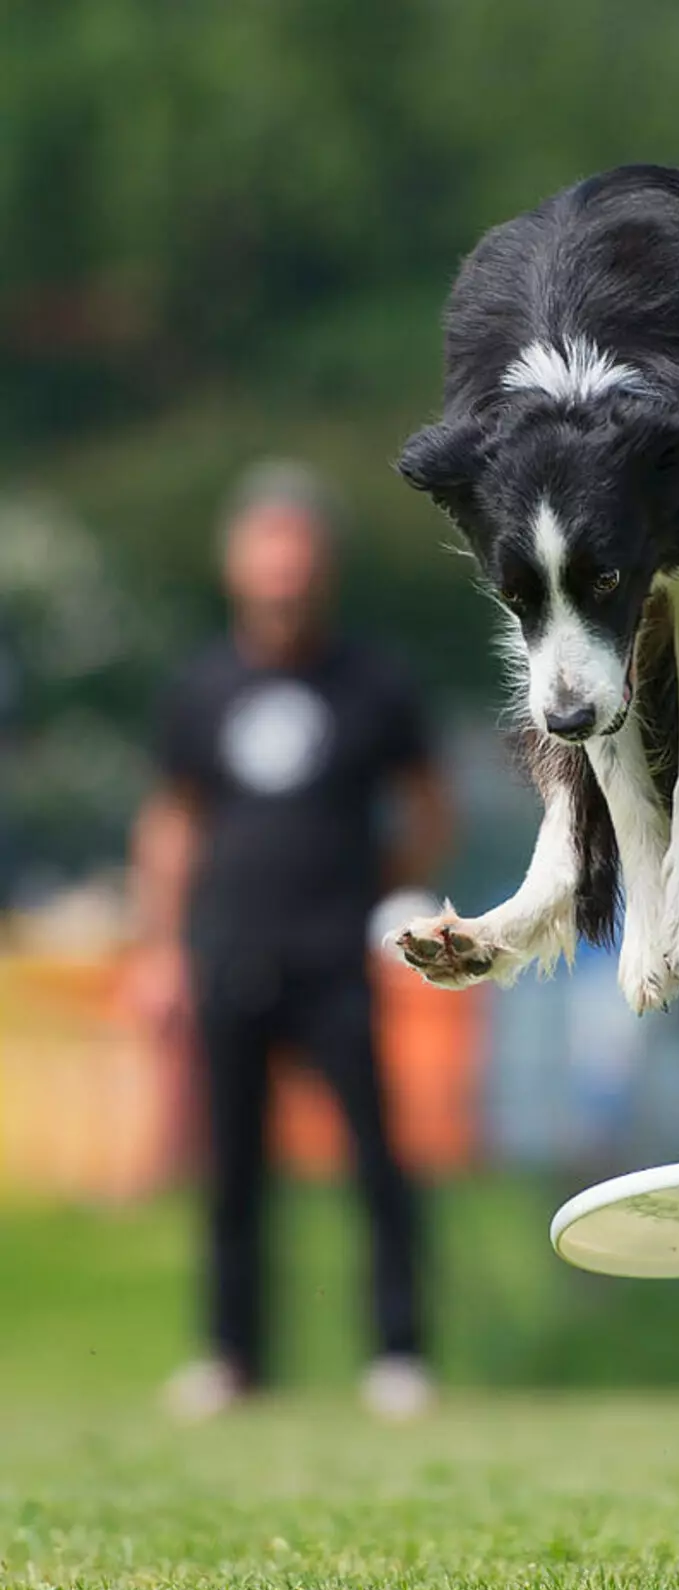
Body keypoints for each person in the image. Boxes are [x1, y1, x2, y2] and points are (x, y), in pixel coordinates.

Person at [131, 461, 452, 1421]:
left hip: (336, 958)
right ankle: (233, 1356)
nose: (285, 580)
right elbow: (173, 824)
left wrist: (384, 892)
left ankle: (398, 1352)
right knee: (231, 1169)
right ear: (239, 568)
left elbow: (430, 809)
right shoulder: (201, 687)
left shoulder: (373, 684)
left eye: (299, 559)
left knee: (375, 1157)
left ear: (323, 569)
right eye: (268, 559)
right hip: (228, 952)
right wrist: (159, 949)